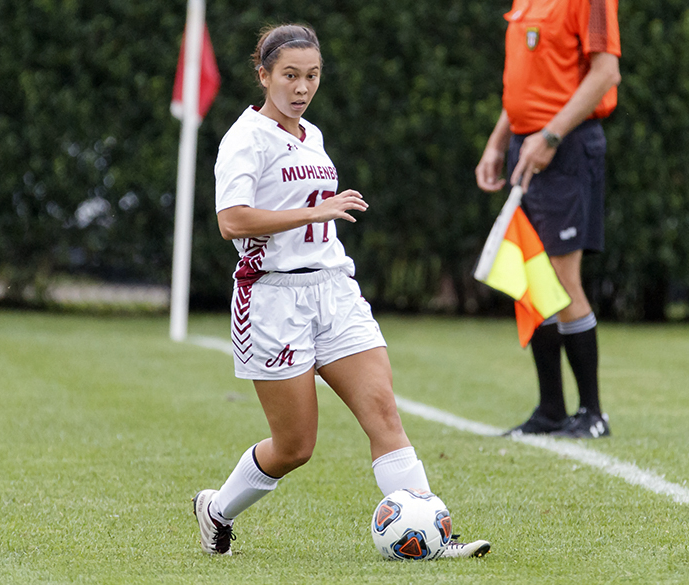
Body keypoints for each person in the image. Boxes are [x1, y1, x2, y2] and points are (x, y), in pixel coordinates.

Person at [193, 23, 490, 558]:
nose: (302, 88)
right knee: (294, 446)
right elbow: (232, 221)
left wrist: (319, 220)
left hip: (335, 292)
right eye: (289, 76)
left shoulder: (314, 135)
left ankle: (433, 535)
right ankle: (217, 508)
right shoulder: (244, 139)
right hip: (273, 300)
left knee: (383, 412)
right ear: (263, 76)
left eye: (312, 76)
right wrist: (317, 209)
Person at [475, 0, 622, 438]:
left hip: (566, 147)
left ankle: (592, 413)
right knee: (532, 274)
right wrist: (498, 142)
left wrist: (552, 135)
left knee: (561, 278)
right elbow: (528, 85)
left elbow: (605, 74)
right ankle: (551, 410)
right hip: (528, 144)